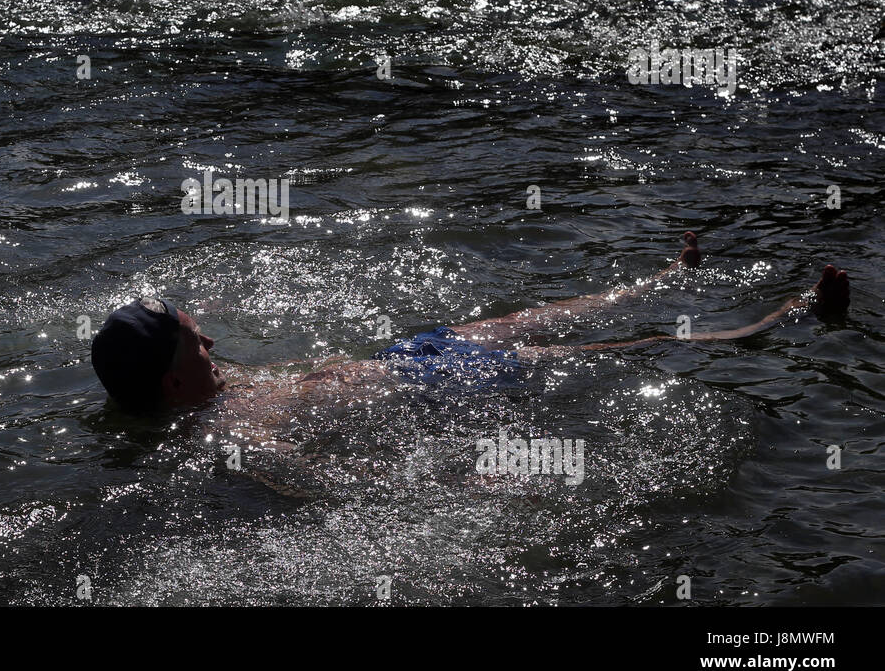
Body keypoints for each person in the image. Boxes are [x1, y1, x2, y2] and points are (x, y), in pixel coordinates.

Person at [90, 233, 851, 415]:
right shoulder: (232, 430)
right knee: (634, 344)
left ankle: (662, 279)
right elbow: (311, 483)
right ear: (172, 379)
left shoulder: (221, 391)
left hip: (414, 353)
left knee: (548, 313)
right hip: (442, 380)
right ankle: (790, 317)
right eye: (198, 341)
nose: (213, 342)